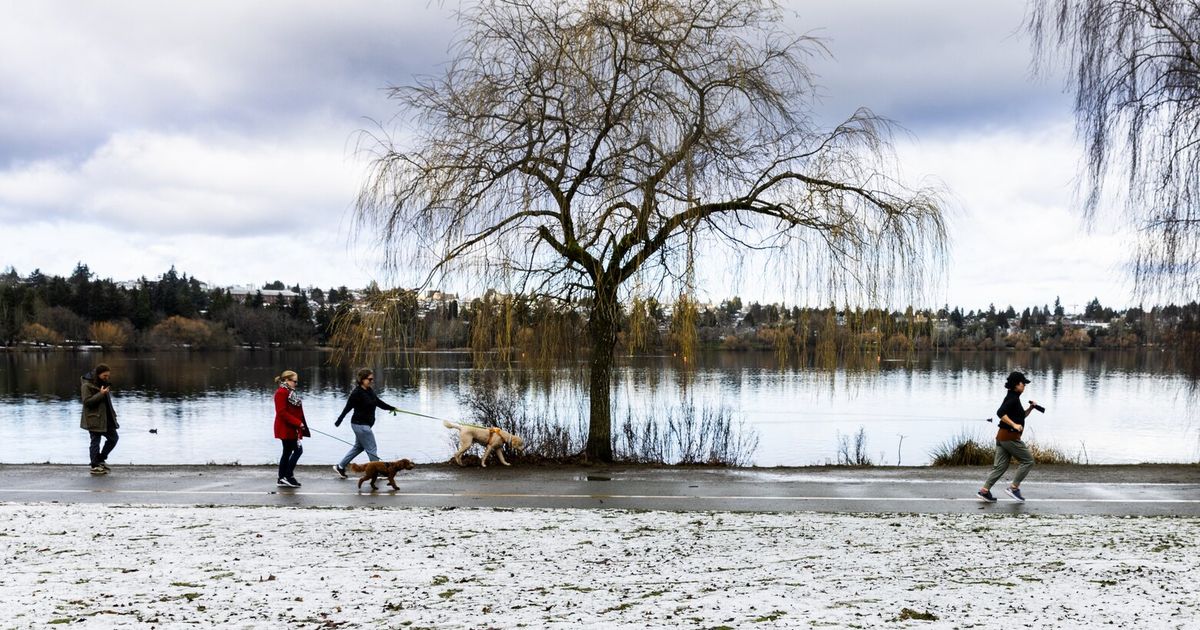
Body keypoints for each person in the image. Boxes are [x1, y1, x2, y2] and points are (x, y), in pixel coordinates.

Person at [978, 371, 1039, 502]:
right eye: (1023, 383)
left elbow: (1020, 416)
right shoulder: (1012, 398)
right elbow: (1000, 413)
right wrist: (1014, 425)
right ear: (1017, 384)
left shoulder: (1012, 397)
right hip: (1010, 437)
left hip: (1001, 437)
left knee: (1000, 466)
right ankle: (1013, 488)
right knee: (1028, 461)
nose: (1025, 386)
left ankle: (984, 490)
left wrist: (1030, 408)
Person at [332, 368, 398, 478]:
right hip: (360, 425)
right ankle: (378, 471)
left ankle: (340, 466)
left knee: (358, 447)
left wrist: (391, 408)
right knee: (372, 449)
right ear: (362, 379)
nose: (372, 381)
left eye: (372, 379)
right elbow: (347, 408)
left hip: (364, 425)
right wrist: (339, 420)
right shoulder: (356, 393)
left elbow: (378, 402)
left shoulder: (369, 390)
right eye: (369, 379)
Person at [80, 363, 119, 475]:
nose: (107, 378)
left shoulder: (103, 384)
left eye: (108, 376)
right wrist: (101, 394)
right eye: (104, 376)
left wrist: (113, 415)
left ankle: (101, 459)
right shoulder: (86, 385)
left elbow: (107, 403)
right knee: (95, 442)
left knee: (114, 438)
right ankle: (95, 465)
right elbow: (87, 402)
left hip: (107, 419)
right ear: (98, 375)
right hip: (94, 419)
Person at [273, 370, 308, 488]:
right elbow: (281, 412)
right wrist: (298, 422)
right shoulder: (281, 392)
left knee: (287, 452)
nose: (296, 384)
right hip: (285, 428)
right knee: (298, 450)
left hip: (292, 427)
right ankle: (288, 476)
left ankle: (282, 478)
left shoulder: (289, 392)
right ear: (287, 380)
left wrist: (300, 424)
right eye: (295, 381)